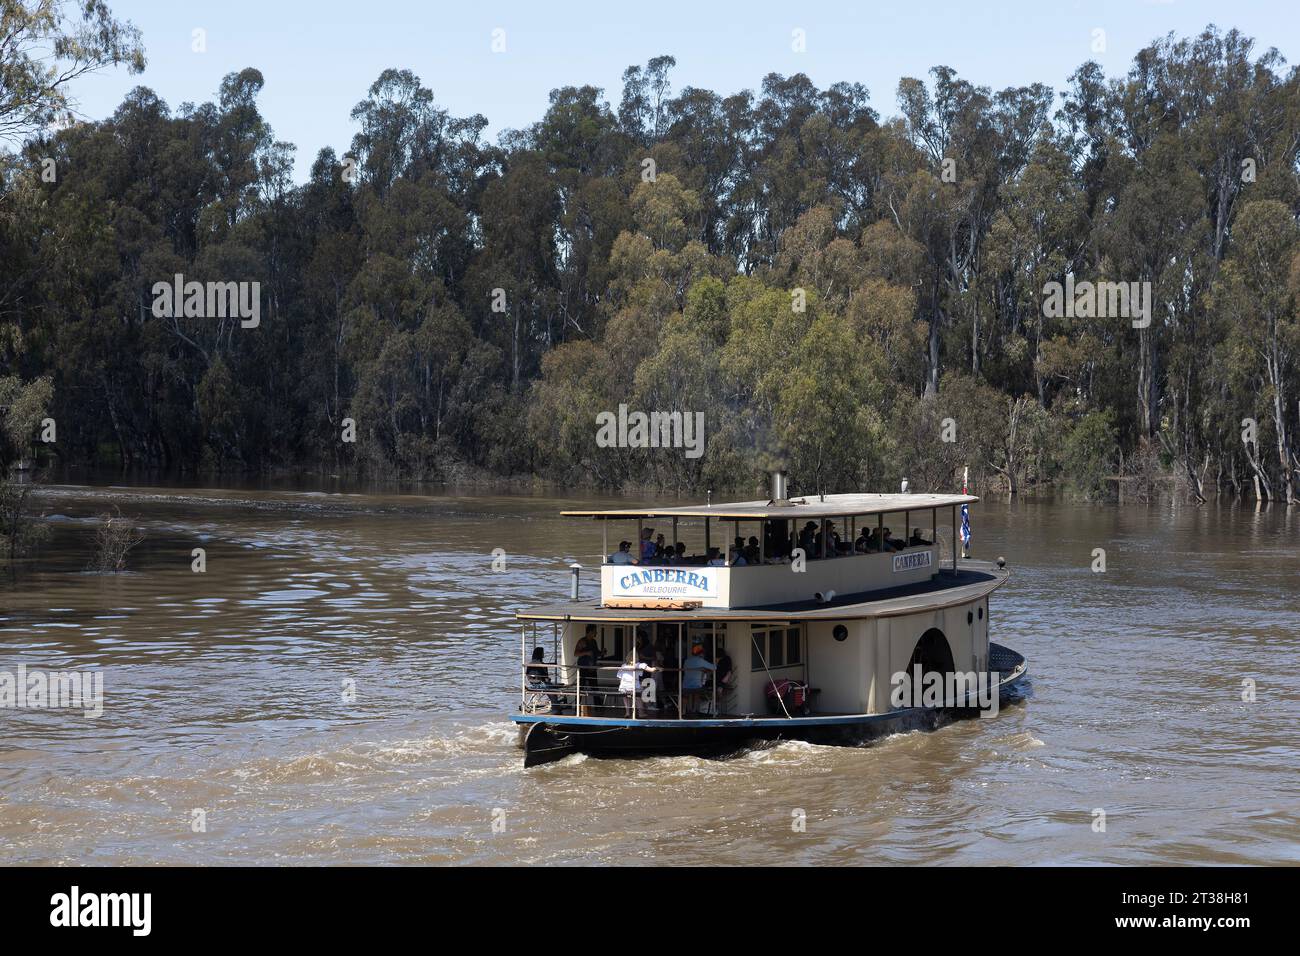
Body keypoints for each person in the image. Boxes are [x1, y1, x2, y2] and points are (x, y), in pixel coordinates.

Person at [616, 649, 657, 716]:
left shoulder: (623, 666)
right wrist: (658, 668)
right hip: (634, 687)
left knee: (626, 697)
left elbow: (619, 677)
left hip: (624, 688)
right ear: (637, 657)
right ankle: (641, 713)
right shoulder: (639, 665)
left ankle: (627, 712)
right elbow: (651, 670)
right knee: (638, 698)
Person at [682, 643, 717, 714]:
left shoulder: (687, 661)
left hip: (686, 685)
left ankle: (683, 710)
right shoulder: (701, 661)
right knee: (697, 692)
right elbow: (714, 667)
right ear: (701, 653)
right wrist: (716, 661)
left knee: (686, 694)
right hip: (696, 686)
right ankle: (694, 710)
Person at [574, 625, 600, 715]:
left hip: (592, 668)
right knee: (580, 687)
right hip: (583, 668)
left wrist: (602, 652)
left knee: (595, 688)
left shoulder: (594, 642)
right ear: (589, 632)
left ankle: (598, 707)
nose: (596, 633)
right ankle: (576, 706)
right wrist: (586, 652)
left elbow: (596, 653)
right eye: (594, 631)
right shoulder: (582, 641)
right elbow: (576, 653)